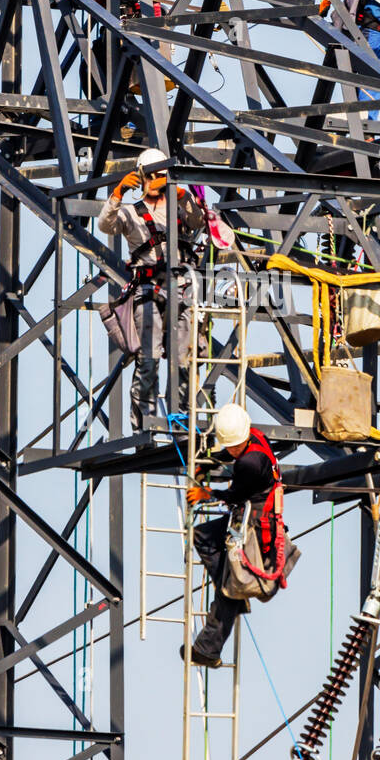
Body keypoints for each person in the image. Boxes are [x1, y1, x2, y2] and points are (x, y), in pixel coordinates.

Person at [99, 148, 206, 431]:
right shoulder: (131, 215)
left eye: (162, 176)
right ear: (143, 178)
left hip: (183, 289)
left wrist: (182, 194)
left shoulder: (180, 209)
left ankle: (183, 423)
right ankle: (144, 425)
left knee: (185, 362)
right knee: (148, 362)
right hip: (148, 291)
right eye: (154, 176)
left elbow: (199, 221)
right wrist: (118, 192)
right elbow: (105, 225)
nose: (158, 181)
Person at [182, 404, 297, 668]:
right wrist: (210, 461)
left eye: (232, 447)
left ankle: (208, 647)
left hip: (255, 526)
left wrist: (207, 493)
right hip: (253, 519)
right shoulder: (254, 437)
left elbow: (235, 495)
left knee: (226, 585)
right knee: (208, 546)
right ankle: (231, 591)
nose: (231, 451)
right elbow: (231, 453)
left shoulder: (249, 462)